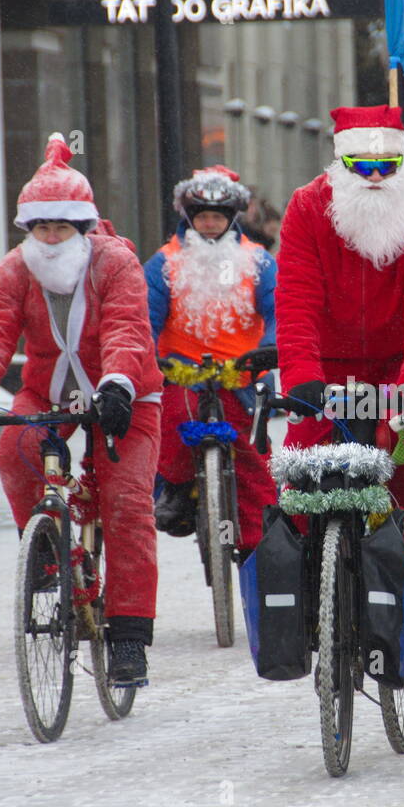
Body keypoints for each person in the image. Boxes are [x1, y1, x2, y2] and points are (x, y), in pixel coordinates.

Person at [0, 134, 163, 687]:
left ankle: (128, 639)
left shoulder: (115, 263)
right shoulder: (16, 269)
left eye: (61, 226)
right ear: (28, 229)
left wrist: (117, 384)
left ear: (83, 227)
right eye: (40, 226)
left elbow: (126, 329)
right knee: (15, 452)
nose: (50, 236)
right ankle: (46, 552)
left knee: (125, 505)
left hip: (127, 393)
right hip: (48, 393)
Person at [274, 104, 404, 586]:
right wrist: (301, 379)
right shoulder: (306, 207)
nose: (376, 177)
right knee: (302, 468)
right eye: (362, 166)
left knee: (403, 456)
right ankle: (308, 579)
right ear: (341, 165)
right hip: (327, 367)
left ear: (402, 165)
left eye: (387, 166)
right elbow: (296, 299)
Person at [146, 165, 278, 552]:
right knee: (173, 425)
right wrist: (154, 360)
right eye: (201, 216)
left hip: (244, 374)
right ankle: (176, 487)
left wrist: (268, 350)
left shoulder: (258, 262)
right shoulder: (163, 263)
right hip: (182, 372)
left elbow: (279, 312)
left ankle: (262, 545)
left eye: (216, 217)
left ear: (231, 219)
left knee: (253, 463)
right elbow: (145, 321)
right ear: (188, 217)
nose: (208, 224)